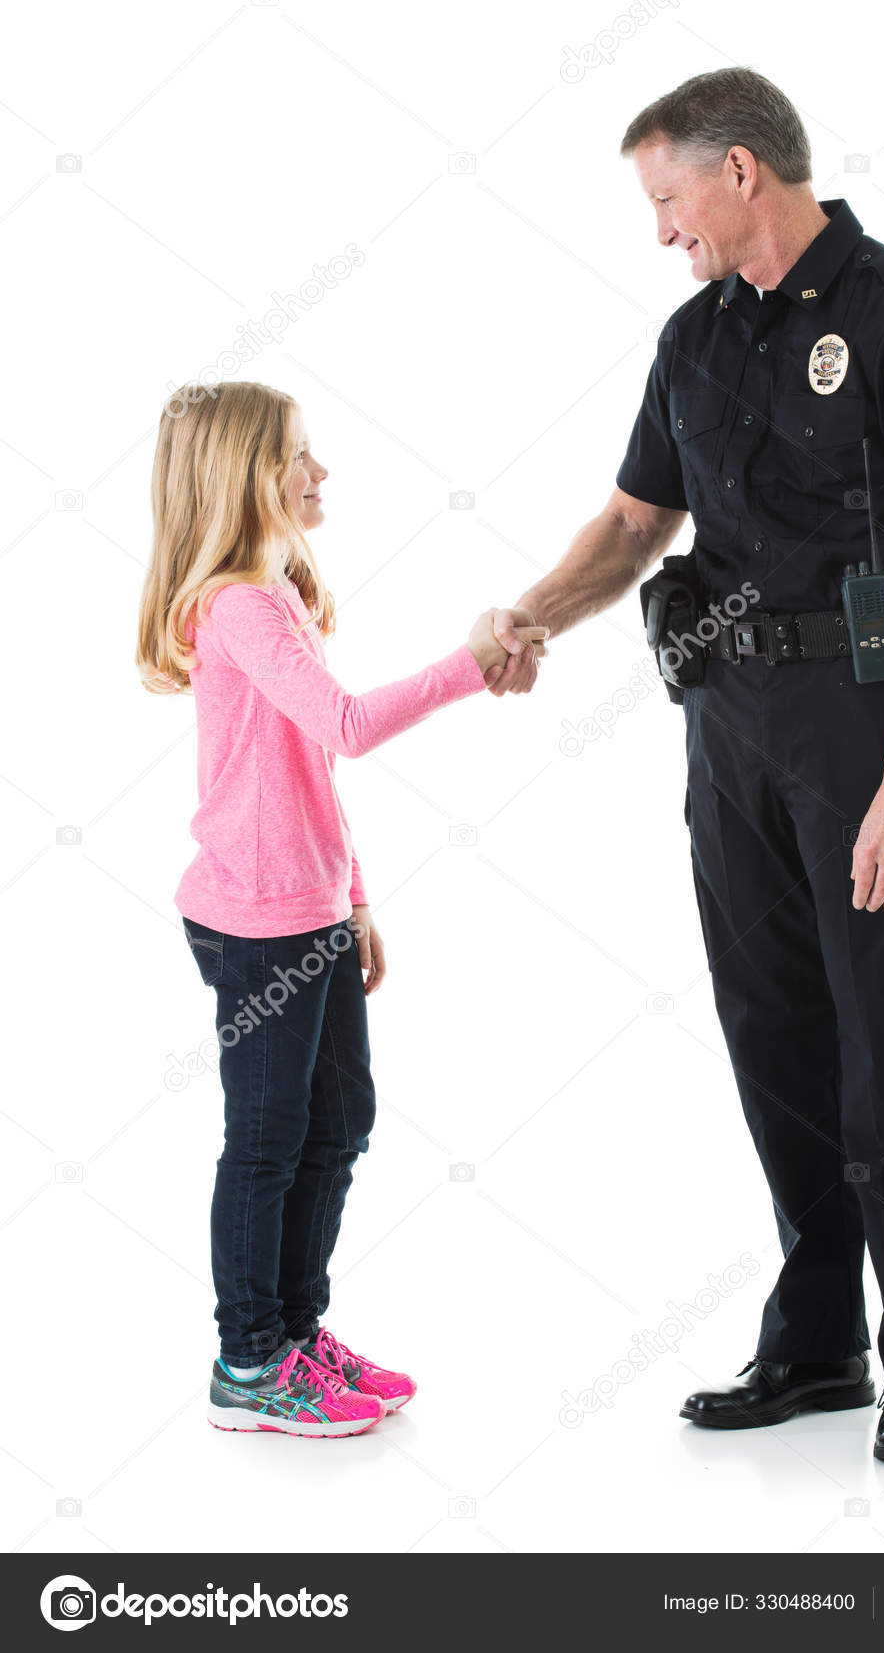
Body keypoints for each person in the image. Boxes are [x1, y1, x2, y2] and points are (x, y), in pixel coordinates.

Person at [483, 68, 884, 1465]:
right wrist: (531, 613)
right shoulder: (692, 340)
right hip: (726, 724)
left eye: (667, 199)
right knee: (771, 1033)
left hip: (866, 722)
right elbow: (628, 524)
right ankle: (817, 1346)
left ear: (737, 175)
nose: (661, 231)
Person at [136, 379, 546, 1438]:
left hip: (307, 910)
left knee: (339, 1120)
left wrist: (352, 897)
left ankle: (294, 1331)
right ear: (246, 477)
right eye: (299, 456)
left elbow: (309, 769)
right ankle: (247, 1361)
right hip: (252, 922)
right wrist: (472, 663)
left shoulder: (273, 596)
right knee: (267, 1138)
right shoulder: (236, 605)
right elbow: (350, 725)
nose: (320, 473)